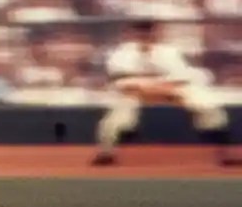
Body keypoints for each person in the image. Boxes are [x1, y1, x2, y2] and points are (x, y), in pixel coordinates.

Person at [92, 20, 238, 167]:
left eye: (149, 32)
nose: (146, 36)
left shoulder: (168, 51)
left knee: (206, 105)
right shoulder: (122, 53)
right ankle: (107, 153)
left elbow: (181, 77)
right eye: (141, 33)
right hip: (135, 91)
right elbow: (121, 81)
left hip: (169, 89)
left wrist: (166, 90)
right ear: (133, 34)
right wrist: (149, 89)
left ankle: (225, 152)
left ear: (156, 33)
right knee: (117, 118)